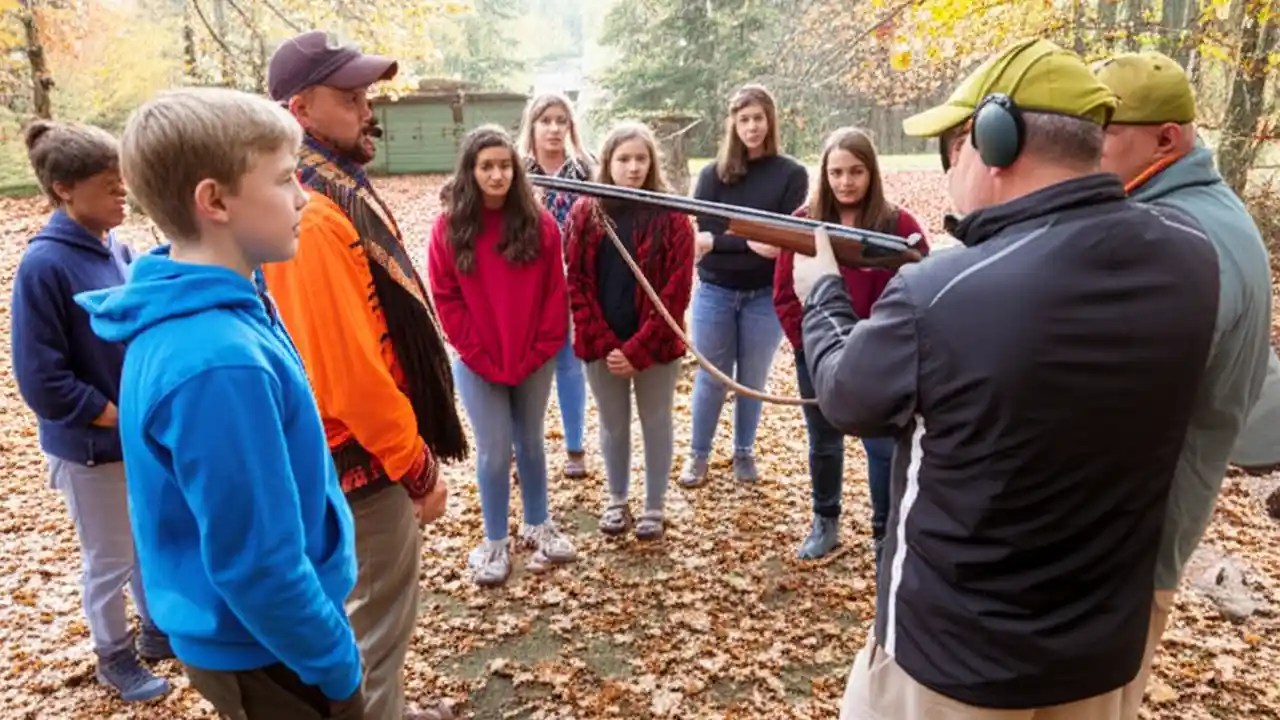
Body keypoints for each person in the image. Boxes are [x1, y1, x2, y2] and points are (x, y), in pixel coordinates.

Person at [792, 38, 1221, 718]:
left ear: (992, 142)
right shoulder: (1192, 259)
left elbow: (847, 395)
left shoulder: (939, 291)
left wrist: (822, 293)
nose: (951, 165)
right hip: (1099, 658)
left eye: (952, 145)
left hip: (949, 665)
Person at [74, 87, 367, 719]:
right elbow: (259, 565)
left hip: (261, 635)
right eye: (286, 179)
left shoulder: (221, 304)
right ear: (215, 201)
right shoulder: (216, 361)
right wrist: (339, 664)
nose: (303, 197)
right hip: (265, 647)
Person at [262, 30, 462, 720]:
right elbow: (349, 372)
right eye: (349, 98)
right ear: (300, 110)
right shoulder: (313, 216)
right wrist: (416, 465)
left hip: (354, 455)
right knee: (370, 638)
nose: (366, 111)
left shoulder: (328, 190)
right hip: (362, 464)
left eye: (365, 96)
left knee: (373, 628)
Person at [1090, 51, 1273, 717]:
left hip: (1131, 543)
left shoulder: (1181, 233)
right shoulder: (1198, 214)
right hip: (1135, 534)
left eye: (1103, 131)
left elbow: (1111, 389)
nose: (1083, 149)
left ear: (1167, 138)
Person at [10, 120, 171, 702]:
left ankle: (156, 631)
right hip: (90, 447)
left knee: (143, 538)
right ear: (63, 190)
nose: (122, 191)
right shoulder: (44, 266)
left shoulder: (117, 249)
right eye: (109, 183)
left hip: (132, 437)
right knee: (108, 556)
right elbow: (42, 379)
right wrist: (113, 414)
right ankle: (114, 655)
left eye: (122, 179)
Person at [427, 124, 578, 587]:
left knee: (530, 441)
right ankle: (494, 542)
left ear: (517, 168)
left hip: (534, 357)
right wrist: (479, 354)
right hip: (479, 362)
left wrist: (539, 349)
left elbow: (557, 292)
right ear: (471, 172)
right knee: (494, 451)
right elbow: (445, 297)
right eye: (486, 166)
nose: (497, 175)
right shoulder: (450, 228)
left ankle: (538, 521)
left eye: (504, 165)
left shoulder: (540, 224)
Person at [773, 126, 929, 563]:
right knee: (823, 441)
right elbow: (785, 292)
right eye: (836, 172)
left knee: (882, 447)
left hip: (881, 358)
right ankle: (825, 520)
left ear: (871, 172)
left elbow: (921, 286)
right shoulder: (803, 223)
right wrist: (808, 346)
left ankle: (886, 532)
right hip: (818, 352)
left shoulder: (900, 225)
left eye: (856, 171)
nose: (845, 182)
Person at [563, 122, 695, 540]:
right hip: (602, 344)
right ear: (608, 163)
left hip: (656, 343)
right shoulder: (587, 212)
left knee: (656, 421)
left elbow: (677, 288)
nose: (633, 167)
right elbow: (577, 281)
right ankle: (617, 499)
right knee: (613, 424)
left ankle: (654, 505)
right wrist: (606, 343)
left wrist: (639, 349)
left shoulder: (672, 215)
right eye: (624, 159)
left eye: (641, 159)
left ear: (652, 162)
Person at [680, 84, 809, 487]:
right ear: (733, 124)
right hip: (715, 291)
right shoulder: (713, 175)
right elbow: (702, 240)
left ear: (770, 121)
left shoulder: (791, 174)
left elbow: (779, 243)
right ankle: (698, 455)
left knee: (752, 380)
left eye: (758, 118)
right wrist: (737, 242)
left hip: (764, 295)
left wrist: (724, 241)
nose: (752, 127)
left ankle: (744, 452)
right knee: (713, 377)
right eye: (744, 119)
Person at [519, 92, 595, 479]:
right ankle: (522, 445)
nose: (553, 128)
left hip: (572, 282)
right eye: (545, 120)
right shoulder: (513, 169)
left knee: (569, 362)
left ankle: (575, 446)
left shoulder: (584, 171)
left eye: (560, 120)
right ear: (532, 125)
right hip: (524, 286)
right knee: (525, 365)